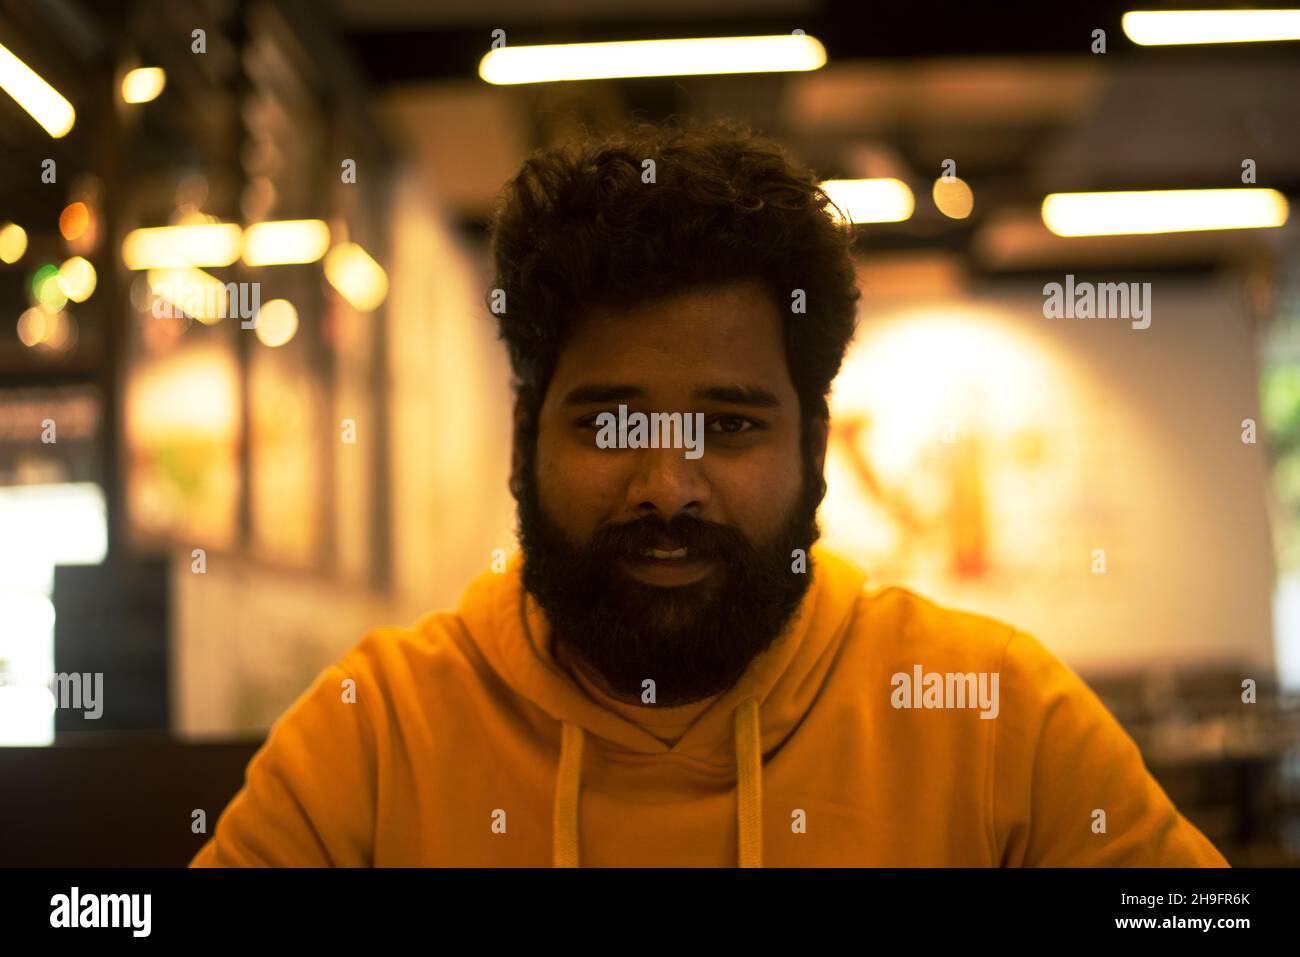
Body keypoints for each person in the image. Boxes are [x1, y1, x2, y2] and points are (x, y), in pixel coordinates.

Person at [191, 118, 1227, 867]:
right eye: (608, 424)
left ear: (816, 447)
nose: (668, 486)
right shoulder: (378, 735)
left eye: (729, 425)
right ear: (521, 442)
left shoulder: (994, 712)